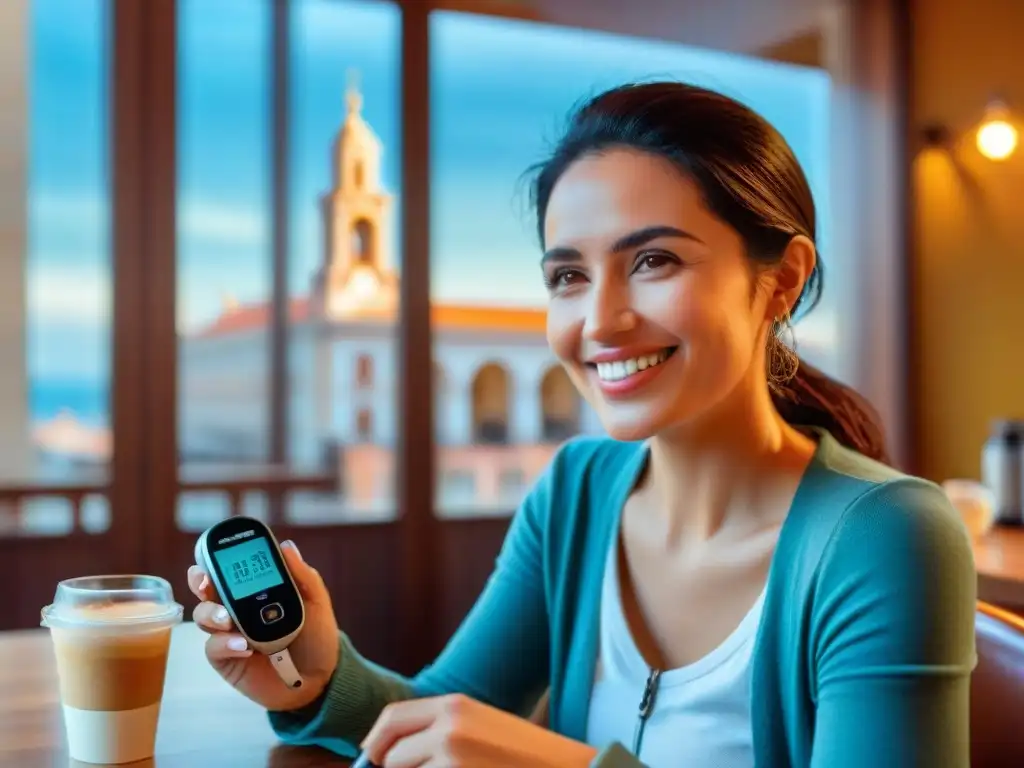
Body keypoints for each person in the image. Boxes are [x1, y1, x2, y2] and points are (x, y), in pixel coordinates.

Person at [186, 81, 977, 767]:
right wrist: (320, 674)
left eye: (654, 260)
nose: (600, 321)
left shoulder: (887, 535)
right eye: (568, 276)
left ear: (782, 282)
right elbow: (440, 716)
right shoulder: (576, 491)